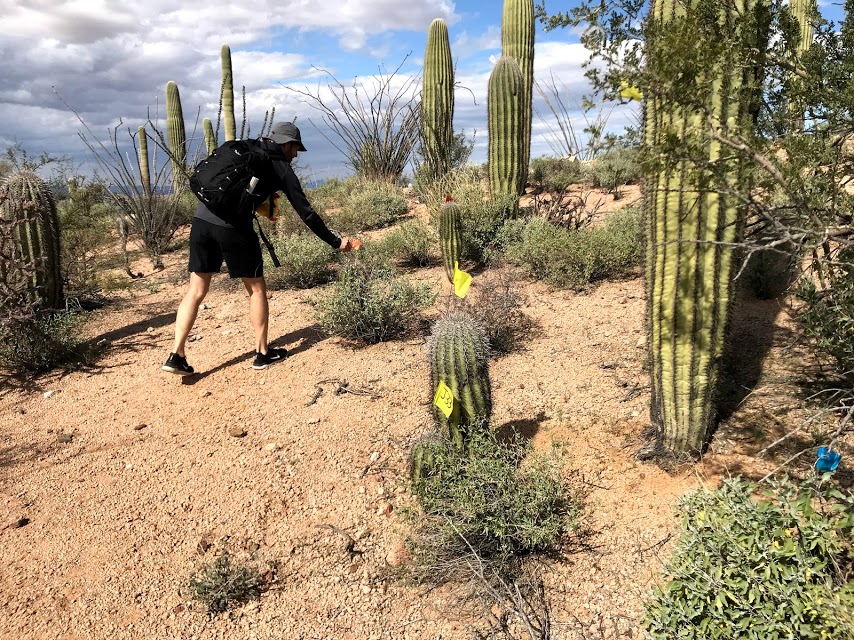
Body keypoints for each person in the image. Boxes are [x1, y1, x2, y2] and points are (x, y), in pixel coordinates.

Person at [162, 122, 356, 375]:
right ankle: (262, 353)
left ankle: (176, 355)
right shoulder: (281, 167)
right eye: (296, 149)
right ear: (287, 144)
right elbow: (306, 213)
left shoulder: (244, 147)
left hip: (201, 222)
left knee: (196, 290)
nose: (296, 155)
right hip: (234, 229)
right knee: (256, 290)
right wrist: (335, 241)